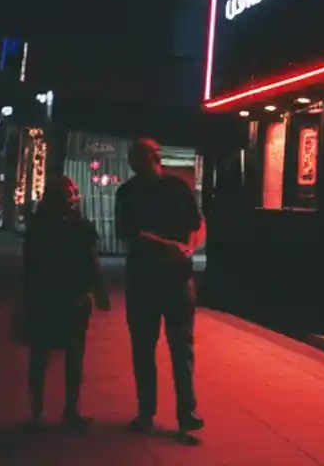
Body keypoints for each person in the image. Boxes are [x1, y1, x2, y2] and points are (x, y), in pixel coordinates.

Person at [116, 138, 206, 435]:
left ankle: (169, 412)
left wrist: (188, 247)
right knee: (170, 348)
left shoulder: (153, 190)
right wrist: (175, 247)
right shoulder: (136, 191)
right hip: (162, 278)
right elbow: (131, 234)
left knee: (163, 348)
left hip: (160, 279)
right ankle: (171, 412)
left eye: (139, 156)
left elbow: (197, 225)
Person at [21, 176, 109, 432]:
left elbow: (29, 267)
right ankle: (70, 410)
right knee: (73, 354)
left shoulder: (38, 227)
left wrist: (24, 298)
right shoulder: (80, 227)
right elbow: (92, 262)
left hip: (43, 296)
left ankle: (37, 413)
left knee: (39, 355)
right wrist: (99, 291)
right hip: (74, 297)